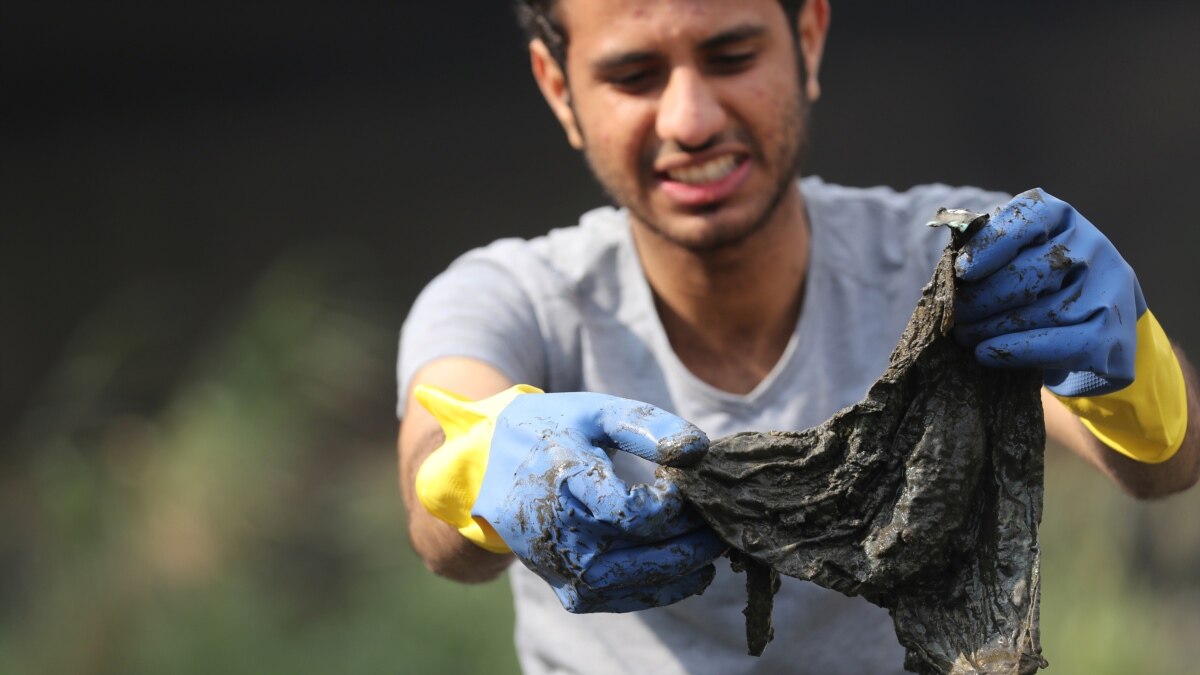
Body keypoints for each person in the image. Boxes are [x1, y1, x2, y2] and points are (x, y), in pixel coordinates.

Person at [396, 0, 1200, 672]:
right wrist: (485, 466)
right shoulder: (516, 296)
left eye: (732, 55)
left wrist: (1128, 363)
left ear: (808, 38)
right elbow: (433, 467)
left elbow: (1166, 465)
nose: (691, 119)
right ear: (559, 89)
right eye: (633, 76)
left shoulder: (961, 261)